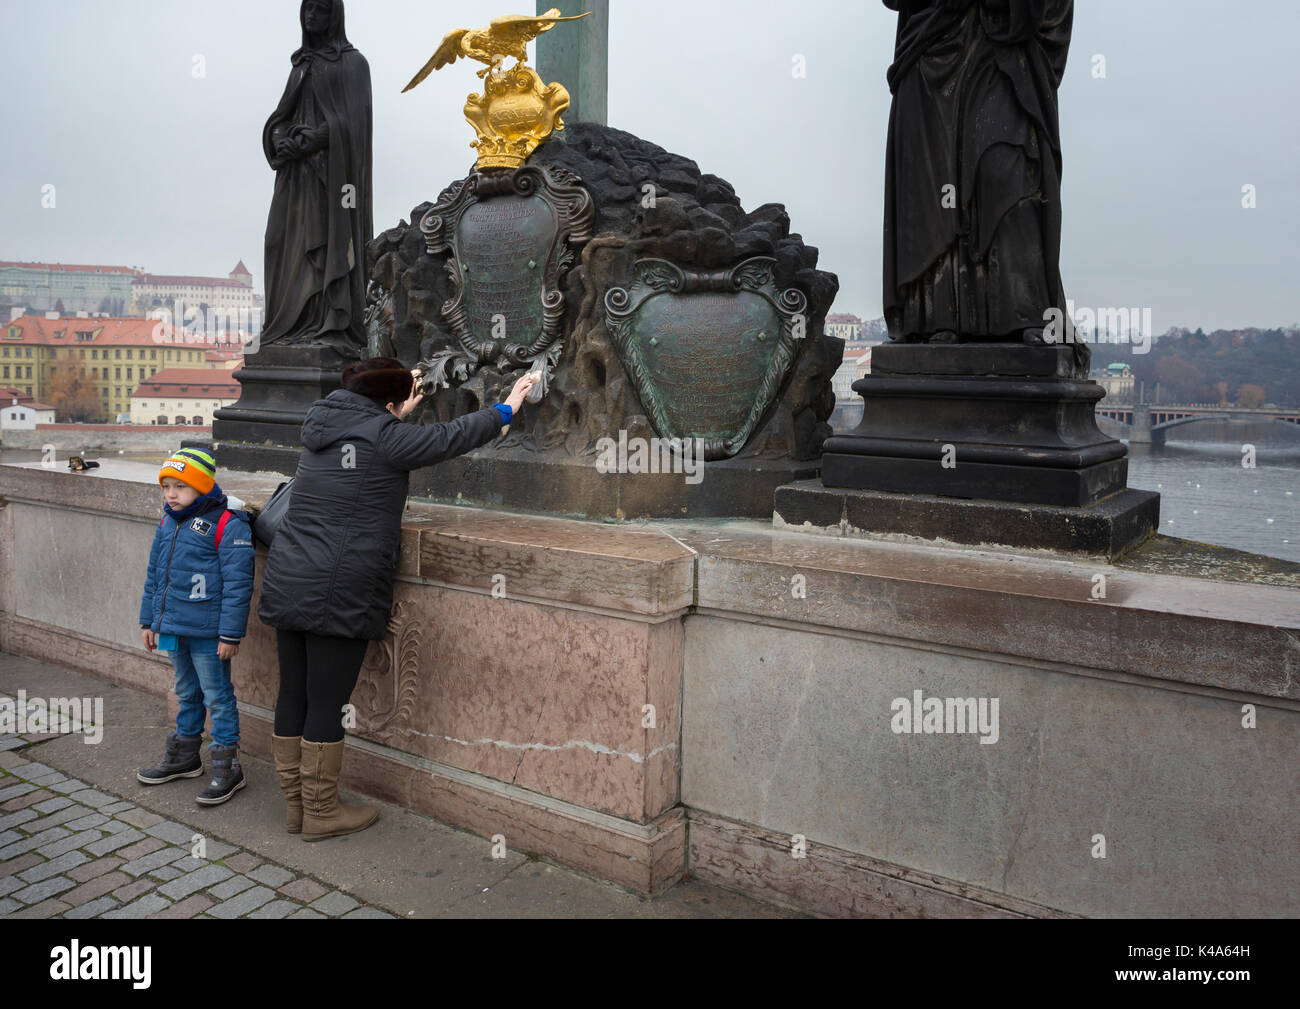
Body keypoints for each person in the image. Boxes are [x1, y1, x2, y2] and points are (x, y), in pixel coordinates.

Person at [256, 358, 534, 841]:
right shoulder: (386, 437)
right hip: (337, 586)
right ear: (388, 404)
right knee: (327, 702)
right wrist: (506, 408)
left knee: (294, 694)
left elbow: (371, 440)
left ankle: (297, 808)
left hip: (290, 576)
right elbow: (452, 436)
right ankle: (322, 812)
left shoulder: (323, 425)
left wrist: (396, 409)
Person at [138, 448, 256, 805]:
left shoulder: (227, 523)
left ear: (203, 487)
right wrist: (148, 620)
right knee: (186, 692)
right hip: (173, 626)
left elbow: (238, 584)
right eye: (166, 487)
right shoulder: (168, 521)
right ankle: (185, 756)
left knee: (218, 696)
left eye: (180, 487)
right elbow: (156, 575)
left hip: (209, 633)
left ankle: (228, 766)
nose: (171, 494)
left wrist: (230, 634)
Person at [262, 0, 372, 353]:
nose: (311, 16)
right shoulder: (301, 65)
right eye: (307, 9)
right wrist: (281, 139)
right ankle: (287, 327)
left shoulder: (353, 64)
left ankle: (327, 321)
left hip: (333, 180)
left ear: (334, 15)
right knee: (278, 241)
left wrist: (314, 139)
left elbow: (354, 126)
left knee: (326, 245)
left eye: (320, 9)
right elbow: (281, 116)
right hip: (296, 177)